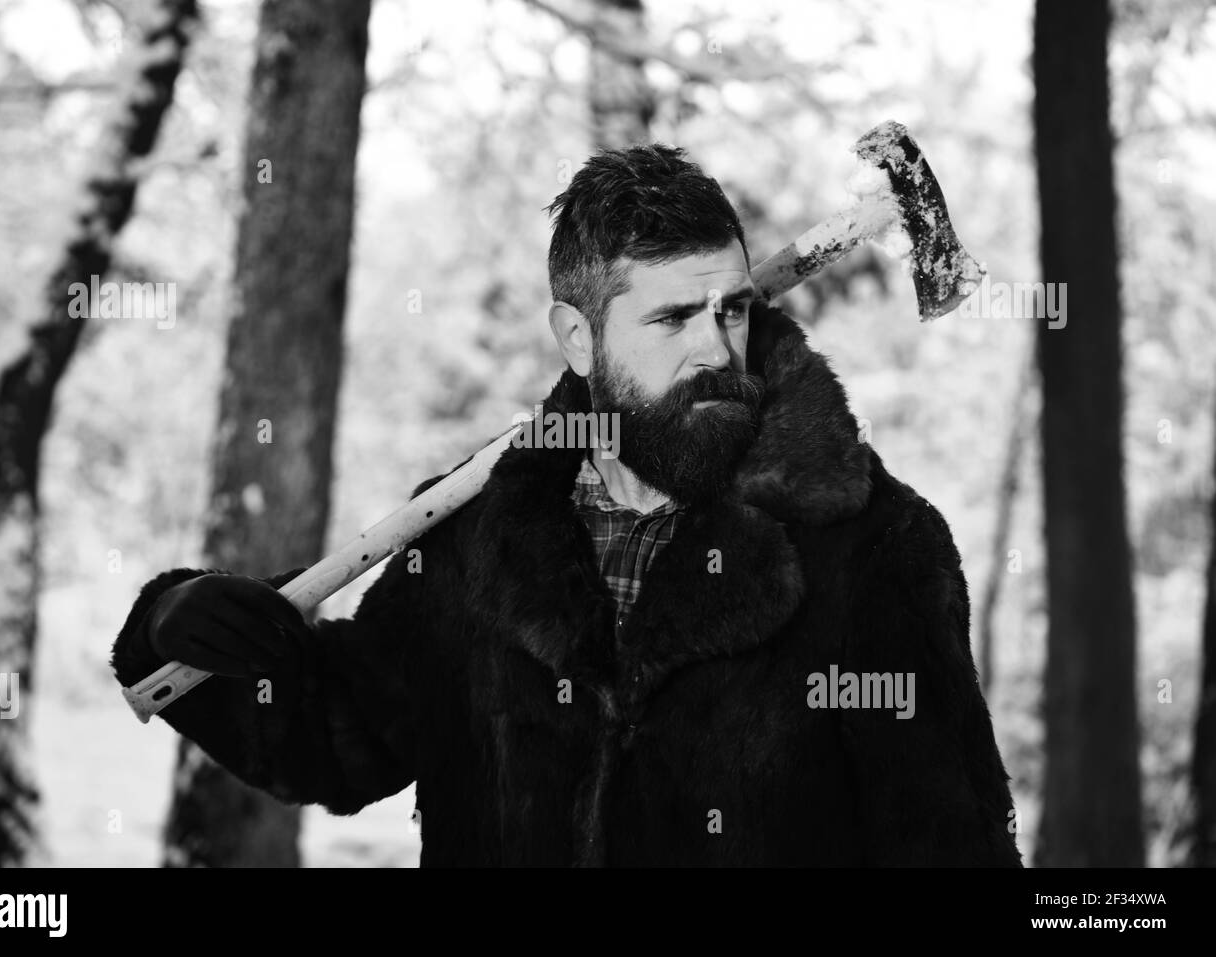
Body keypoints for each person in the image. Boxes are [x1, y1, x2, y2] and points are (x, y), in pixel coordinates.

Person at [111, 144, 1023, 867]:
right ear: (578, 338)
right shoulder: (478, 532)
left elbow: (953, 846)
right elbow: (339, 739)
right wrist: (176, 623)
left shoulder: (870, 547)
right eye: (671, 319)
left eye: (732, 311)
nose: (716, 351)